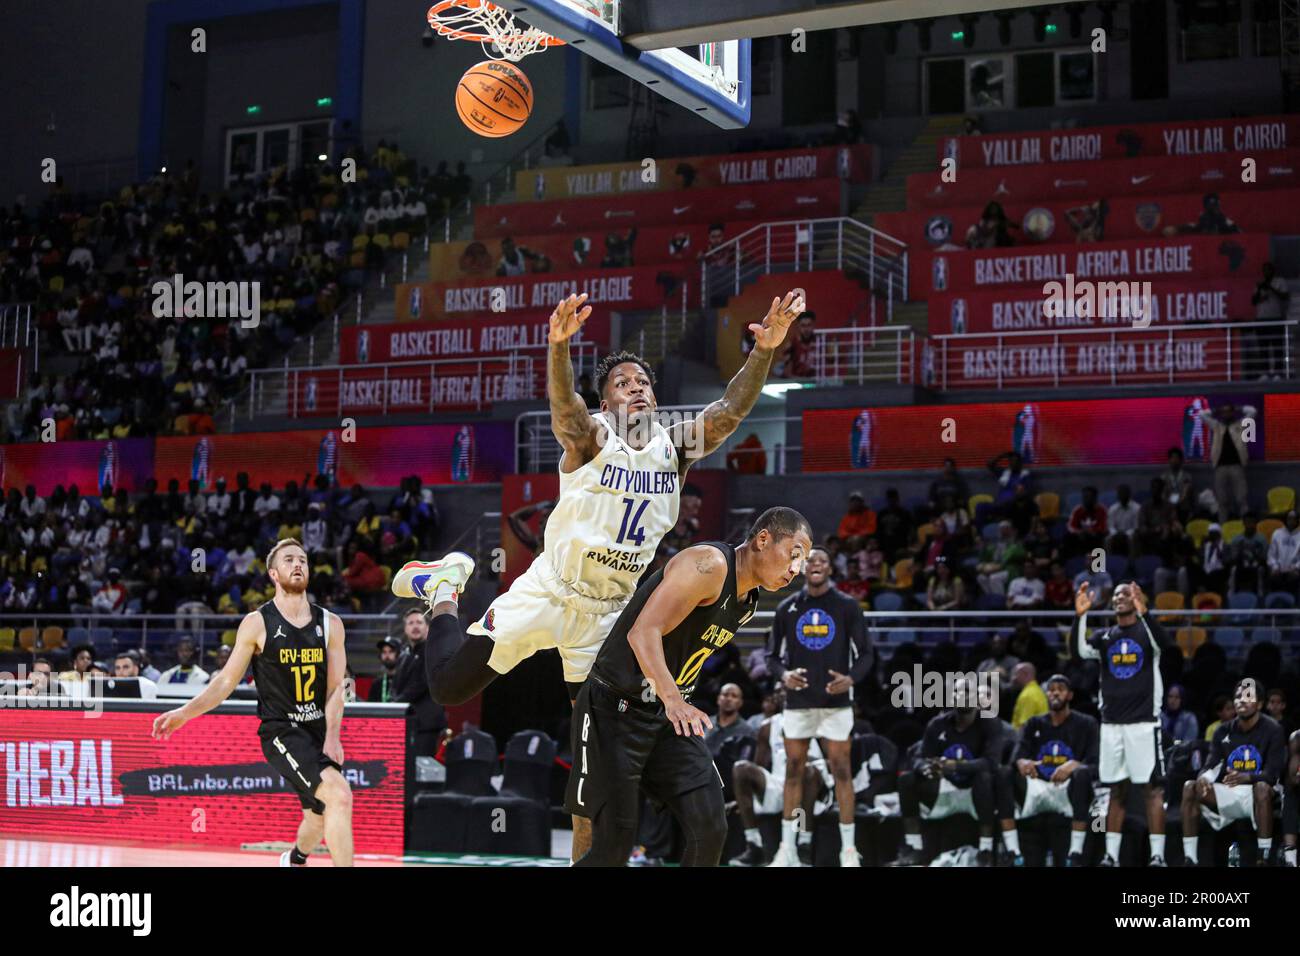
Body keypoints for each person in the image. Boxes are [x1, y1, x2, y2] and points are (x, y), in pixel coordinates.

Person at [392, 290, 807, 860]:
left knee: (598, 750)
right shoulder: (592, 439)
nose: (638, 388)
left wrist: (763, 351)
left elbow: (728, 414)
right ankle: (443, 590)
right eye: (623, 384)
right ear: (606, 404)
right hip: (549, 591)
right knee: (448, 687)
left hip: (610, 612)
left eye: (644, 382)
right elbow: (564, 412)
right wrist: (557, 349)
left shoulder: (672, 449)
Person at [565, 508, 813, 867]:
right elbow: (642, 632)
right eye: (794, 555)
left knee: (711, 826)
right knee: (613, 849)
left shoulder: (748, 602)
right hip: (615, 710)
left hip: (665, 719)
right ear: (763, 539)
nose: (796, 569)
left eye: (802, 562)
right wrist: (674, 699)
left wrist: (672, 703)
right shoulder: (708, 564)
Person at [152, 539, 353, 866]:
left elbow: (335, 690)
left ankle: (295, 859)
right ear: (274, 573)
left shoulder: (330, 624)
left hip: (317, 731)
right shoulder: (258, 623)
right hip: (282, 731)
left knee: (319, 816)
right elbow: (225, 682)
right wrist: (185, 713)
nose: (298, 565)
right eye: (289, 560)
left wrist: (332, 736)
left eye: (302, 560)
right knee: (340, 795)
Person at [764, 546, 874, 867]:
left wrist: (850, 679)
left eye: (823, 561)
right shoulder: (787, 608)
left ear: (830, 569)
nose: (816, 565)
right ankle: (787, 849)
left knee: (842, 771)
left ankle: (848, 850)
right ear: (801, 567)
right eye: (811, 561)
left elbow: (866, 653)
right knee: (793, 771)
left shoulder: (846, 606)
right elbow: (771, 657)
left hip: (836, 703)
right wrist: (784, 675)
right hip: (798, 704)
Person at [1072, 581, 1173, 866]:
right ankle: (1111, 856)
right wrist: (1080, 617)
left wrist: (1146, 613)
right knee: (1116, 790)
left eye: (1125, 593)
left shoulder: (1147, 633)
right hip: (1111, 725)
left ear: (1137, 598)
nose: (1119, 597)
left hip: (1143, 724)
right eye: (1116, 594)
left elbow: (1167, 645)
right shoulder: (1105, 637)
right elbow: (1079, 651)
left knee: (1152, 790)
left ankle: (1157, 856)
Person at [893, 677, 1004, 866]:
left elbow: (992, 763)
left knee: (985, 777)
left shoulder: (990, 723)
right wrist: (926, 768)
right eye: (958, 693)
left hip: (976, 792)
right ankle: (914, 847)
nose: (963, 696)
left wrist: (955, 766)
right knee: (907, 780)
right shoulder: (937, 724)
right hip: (945, 788)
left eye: (968, 692)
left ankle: (985, 849)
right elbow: (919, 758)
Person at [1180, 678, 1286, 866]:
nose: (1241, 701)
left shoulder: (1273, 729)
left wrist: (1248, 777)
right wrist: (1203, 777)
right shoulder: (1222, 731)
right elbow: (1211, 763)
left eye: (1247, 697)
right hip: (1229, 791)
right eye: (1237, 697)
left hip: (1259, 793)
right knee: (1190, 787)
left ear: (1260, 704)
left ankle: (1263, 858)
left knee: (1262, 788)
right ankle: (1191, 858)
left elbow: (1273, 775)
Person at [996, 674, 1099, 866]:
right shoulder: (1033, 723)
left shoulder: (1087, 723)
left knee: (1083, 773)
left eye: (1060, 689)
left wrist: (1074, 764)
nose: (1055, 693)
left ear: (1070, 695)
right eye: (1051, 689)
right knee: (1003, 773)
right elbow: (1016, 757)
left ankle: (1076, 852)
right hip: (1038, 789)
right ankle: (1012, 850)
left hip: (1068, 790)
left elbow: (1096, 763)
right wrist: (1022, 763)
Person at [728, 689, 835, 867]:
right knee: (741, 769)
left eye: (786, 690)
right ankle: (754, 845)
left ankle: (804, 846)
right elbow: (760, 766)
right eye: (778, 690)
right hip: (780, 784)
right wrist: (745, 797)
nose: (781, 694)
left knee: (806, 771)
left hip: (813, 783)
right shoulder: (768, 726)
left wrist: (807, 760)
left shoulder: (817, 721)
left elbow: (833, 762)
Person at [392, 607, 445, 756]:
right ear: (405, 629)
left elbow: (420, 684)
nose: (415, 626)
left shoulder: (433, 650)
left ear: (427, 627)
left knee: (421, 770)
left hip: (426, 724)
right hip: (407, 721)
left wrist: (396, 704)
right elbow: (396, 685)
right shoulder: (404, 654)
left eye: (419, 622)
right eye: (411, 623)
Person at [1198, 403, 1255, 520]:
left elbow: (1252, 411)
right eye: (1224, 412)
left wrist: (1237, 408)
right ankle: (1223, 528)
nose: (1226, 414)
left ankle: (1245, 525)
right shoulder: (1216, 426)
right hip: (1220, 468)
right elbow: (1201, 414)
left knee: (1241, 499)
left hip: (1236, 466)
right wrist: (1216, 410)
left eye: (1229, 411)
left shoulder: (1240, 425)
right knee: (1222, 501)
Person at [1250, 261, 1290, 379]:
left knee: (1277, 347)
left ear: (1273, 270)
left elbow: (1284, 296)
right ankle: (1265, 373)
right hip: (1261, 320)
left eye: (1268, 269)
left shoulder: (1279, 282)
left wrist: (1271, 288)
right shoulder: (1260, 284)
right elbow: (1253, 302)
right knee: (1263, 348)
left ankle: (1278, 373)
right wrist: (1259, 290)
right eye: (1264, 270)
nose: (1266, 272)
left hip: (1276, 319)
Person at [703, 682, 755, 758]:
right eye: (725, 694)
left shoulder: (747, 730)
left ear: (740, 703)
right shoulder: (705, 723)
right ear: (718, 699)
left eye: (734, 696)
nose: (729, 699)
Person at [1266, 510, 1300, 595]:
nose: (1291, 521)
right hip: (1278, 570)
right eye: (1289, 518)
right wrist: (1275, 567)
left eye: (1294, 519)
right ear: (1285, 519)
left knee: (1294, 578)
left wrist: (1296, 567)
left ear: (1298, 520)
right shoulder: (1277, 533)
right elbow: (1271, 554)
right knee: (1273, 578)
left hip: (1294, 570)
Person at [1010, 662, 1048, 730]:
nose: (1013, 678)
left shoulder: (1027, 695)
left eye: (1016, 674)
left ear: (1025, 674)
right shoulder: (1037, 690)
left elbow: (1025, 726)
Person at [368, 636, 402, 702]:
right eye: (384, 652)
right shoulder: (377, 683)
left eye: (391, 651)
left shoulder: (406, 681)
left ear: (399, 654)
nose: (387, 655)